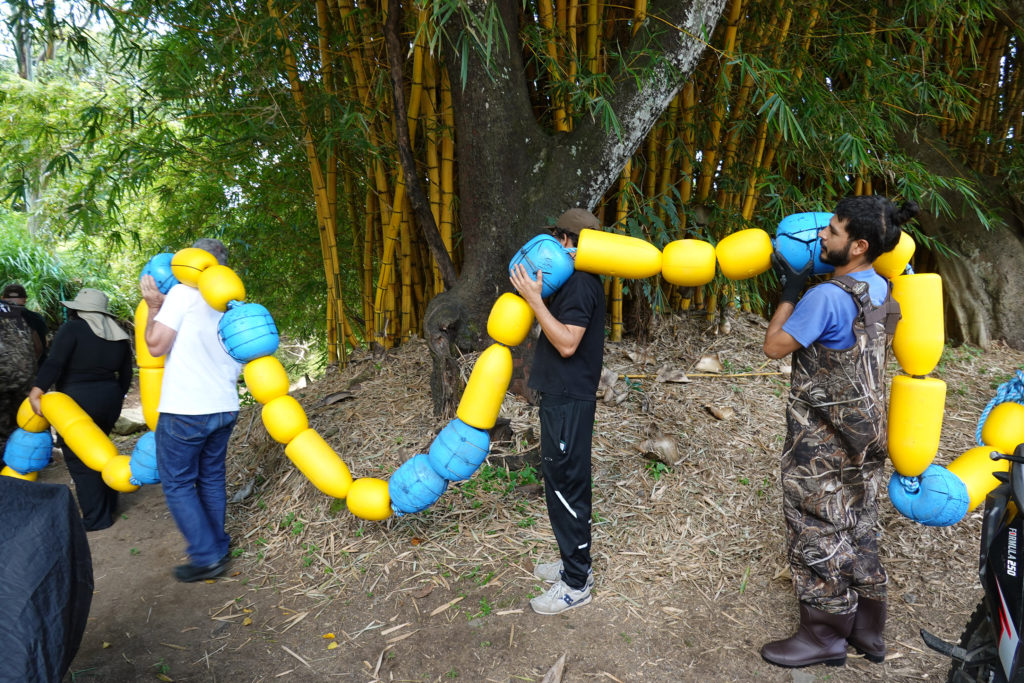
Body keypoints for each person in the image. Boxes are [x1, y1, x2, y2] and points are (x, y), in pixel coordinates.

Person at [760, 195, 916, 668]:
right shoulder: (882, 289)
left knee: (816, 525)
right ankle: (868, 631)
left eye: (832, 231)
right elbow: (879, 338)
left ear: (858, 246)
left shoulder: (825, 296)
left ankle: (825, 635)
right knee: (860, 524)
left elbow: (774, 347)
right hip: (867, 433)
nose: (820, 237)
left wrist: (791, 288)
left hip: (822, 438)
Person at [509, 208, 606, 615]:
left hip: (569, 400)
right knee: (559, 483)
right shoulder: (571, 280)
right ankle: (573, 564)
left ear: (565, 240)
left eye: (555, 236)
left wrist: (534, 300)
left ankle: (576, 582)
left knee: (567, 488)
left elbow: (567, 342)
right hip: (560, 397)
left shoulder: (582, 282)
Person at [140, 238, 242, 583]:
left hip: (186, 409)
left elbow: (155, 346)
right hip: (225, 407)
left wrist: (154, 306)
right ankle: (218, 546)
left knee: (178, 482)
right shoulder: (232, 303)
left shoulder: (182, 295)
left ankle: (207, 556)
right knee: (211, 476)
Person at [28, 288, 132, 531]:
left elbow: (55, 362)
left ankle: (97, 518)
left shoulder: (73, 328)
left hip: (77, 399)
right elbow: (126, 374)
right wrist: (115, 396)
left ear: (78, 309)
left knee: (80, 460)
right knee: (101, 449)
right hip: (109, 398)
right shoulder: (119, 335)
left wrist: (37, 389)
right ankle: (110, 503)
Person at [2, 283, 48, 363]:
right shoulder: (37, 318)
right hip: (37, 369)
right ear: (25, 299)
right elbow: (42, 347)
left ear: (2, 298)